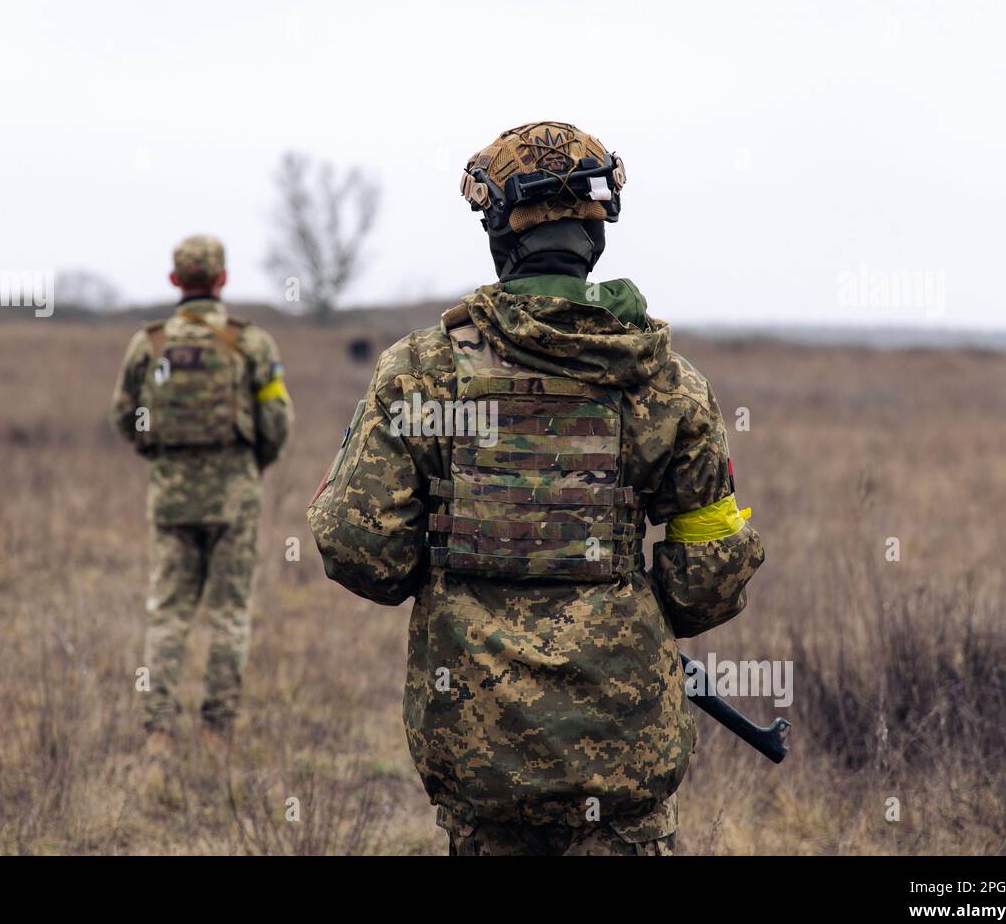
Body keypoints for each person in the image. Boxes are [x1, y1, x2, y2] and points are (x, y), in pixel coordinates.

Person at [307, 123, 764, 854]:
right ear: (596, 234)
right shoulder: (670, 382)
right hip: (623, 761)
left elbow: (366, 555)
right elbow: (704, 587)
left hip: (479, 763)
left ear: (497, 233)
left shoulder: (420, 371)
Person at [111, 234, 291, 756]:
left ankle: (159, 733)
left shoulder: (149, 342)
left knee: (167, 613)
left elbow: (124, 416)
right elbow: (277, 420)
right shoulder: (251, 342)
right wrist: (251, 464)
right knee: (229, 615)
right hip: (235, 498)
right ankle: (217, 732)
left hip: (170, 498)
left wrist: (160, 456)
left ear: (174, 281)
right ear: (222, 279)